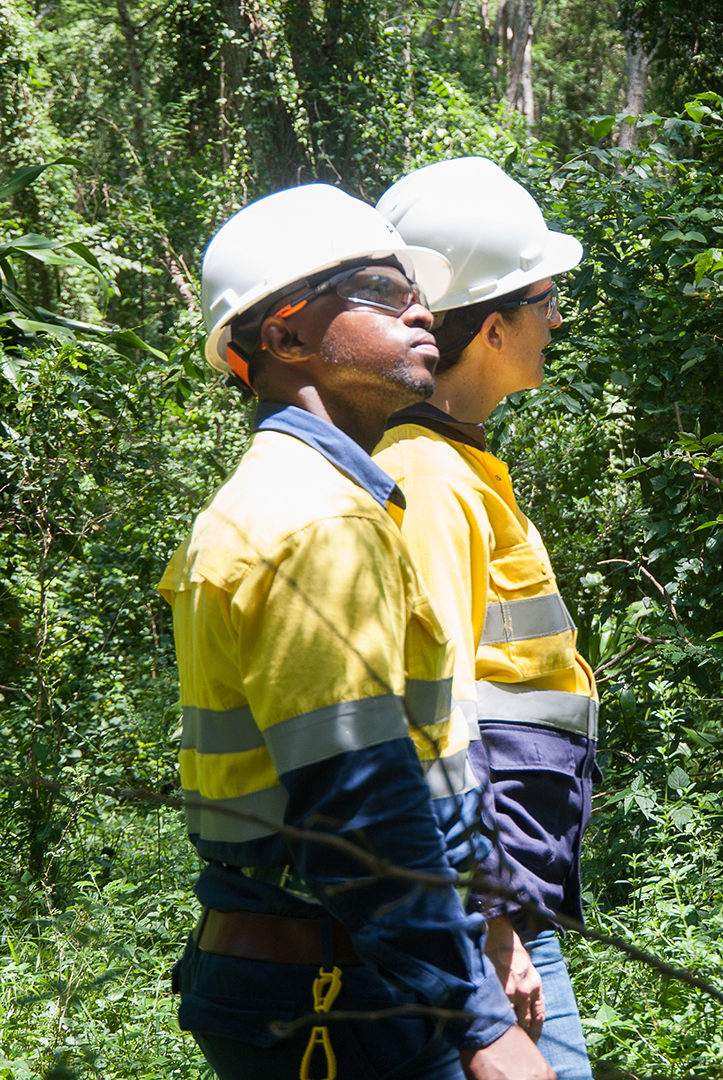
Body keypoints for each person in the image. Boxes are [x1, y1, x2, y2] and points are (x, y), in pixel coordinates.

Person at [163, 182, 553, 1080]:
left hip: (353, 974)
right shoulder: (314, 523)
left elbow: (422, 758)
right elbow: (360, 809)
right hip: (338, 995)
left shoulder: (338, 500)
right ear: (285, 336)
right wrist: (480, 1025)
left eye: (415, 288)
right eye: (380, 289)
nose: (420, 307)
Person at [371, 157, 600, 1080]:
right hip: (485, 909)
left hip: (502, 896)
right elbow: (435, 713)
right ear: (493, 323)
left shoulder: (456, 466)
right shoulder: (429, 477)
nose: (557, 318)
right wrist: (495, 925)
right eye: (545, 296)